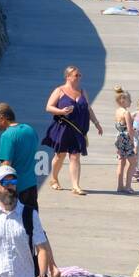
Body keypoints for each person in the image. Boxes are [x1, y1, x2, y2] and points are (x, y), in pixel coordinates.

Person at [43, 66, 103, 195]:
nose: (79, 77)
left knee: (75, 156)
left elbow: (88, 108)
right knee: (60, 155)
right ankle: (54, 178)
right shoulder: (59, 90)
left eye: (79, 75)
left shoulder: (82, 91)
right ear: (68, 77)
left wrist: (96, 123)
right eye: (76, 75)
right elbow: (48, 107)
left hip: (78, 129)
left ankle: (75, 186)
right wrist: (61, 111)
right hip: (63, 127)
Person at [113, 86, 138, 194]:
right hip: (126, 139)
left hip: (119, 138)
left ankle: (120, 186)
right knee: (133, 162)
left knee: (121, 162)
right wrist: (133, 141)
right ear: (122, 100)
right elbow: (130, 129)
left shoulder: (118, 111)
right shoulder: (126, 113)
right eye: (129, 100)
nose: (131, 102)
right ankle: (128, 186)